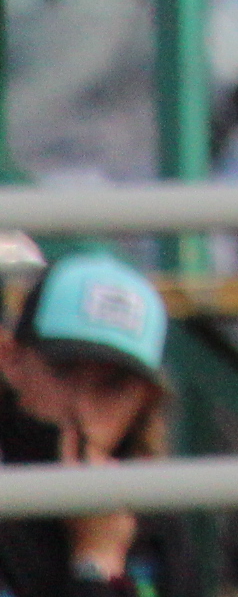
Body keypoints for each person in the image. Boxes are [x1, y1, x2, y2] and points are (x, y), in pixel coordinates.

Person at [0, 248, 171, 597]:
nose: (82, 408)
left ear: (145, 399)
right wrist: (96, 565)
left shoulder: (157, 521)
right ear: (11, 361)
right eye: (64, 372)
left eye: (113, 386)